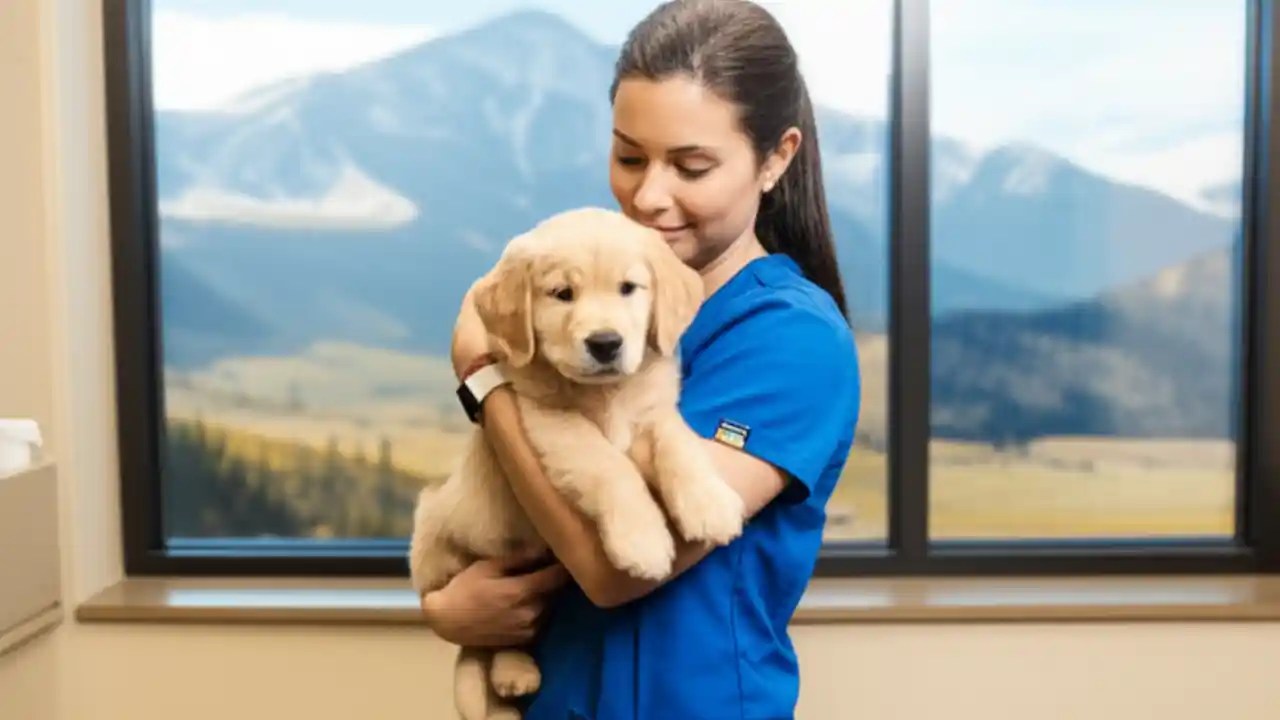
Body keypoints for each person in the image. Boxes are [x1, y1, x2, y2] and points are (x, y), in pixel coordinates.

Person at [420, 0, 862, 717]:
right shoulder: (600, 292)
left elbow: (613, 572)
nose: (648, 196)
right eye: (629, 156)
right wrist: (454, 611)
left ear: (777, 157)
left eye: (691, 166)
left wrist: (485, 380)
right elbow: (522, 516)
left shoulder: (792, 341)